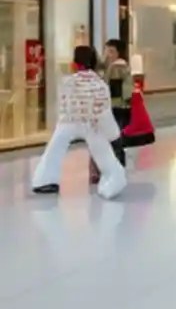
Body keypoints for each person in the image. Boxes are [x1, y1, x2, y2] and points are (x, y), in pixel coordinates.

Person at [31, 46, 127, 199]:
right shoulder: (100, 84)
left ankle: (44, 180)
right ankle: (114, 178)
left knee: (55, 148)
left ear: (74, 63)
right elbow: (104, 112)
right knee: (102, 151)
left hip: (68, 122)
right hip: (92, 124)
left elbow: (63, 106)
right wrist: (113, 135)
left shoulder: (67, 82)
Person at [94, 39, 131, 181]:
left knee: (114, 136)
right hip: (119, 106)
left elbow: (114, 89)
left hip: (116, 106)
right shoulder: (117, 66)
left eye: (111, 51)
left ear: (118, 53)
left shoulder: (117, 67)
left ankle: (116, 165)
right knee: (116, 136)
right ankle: (118, 164)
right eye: (106, 50)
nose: (108, 54)